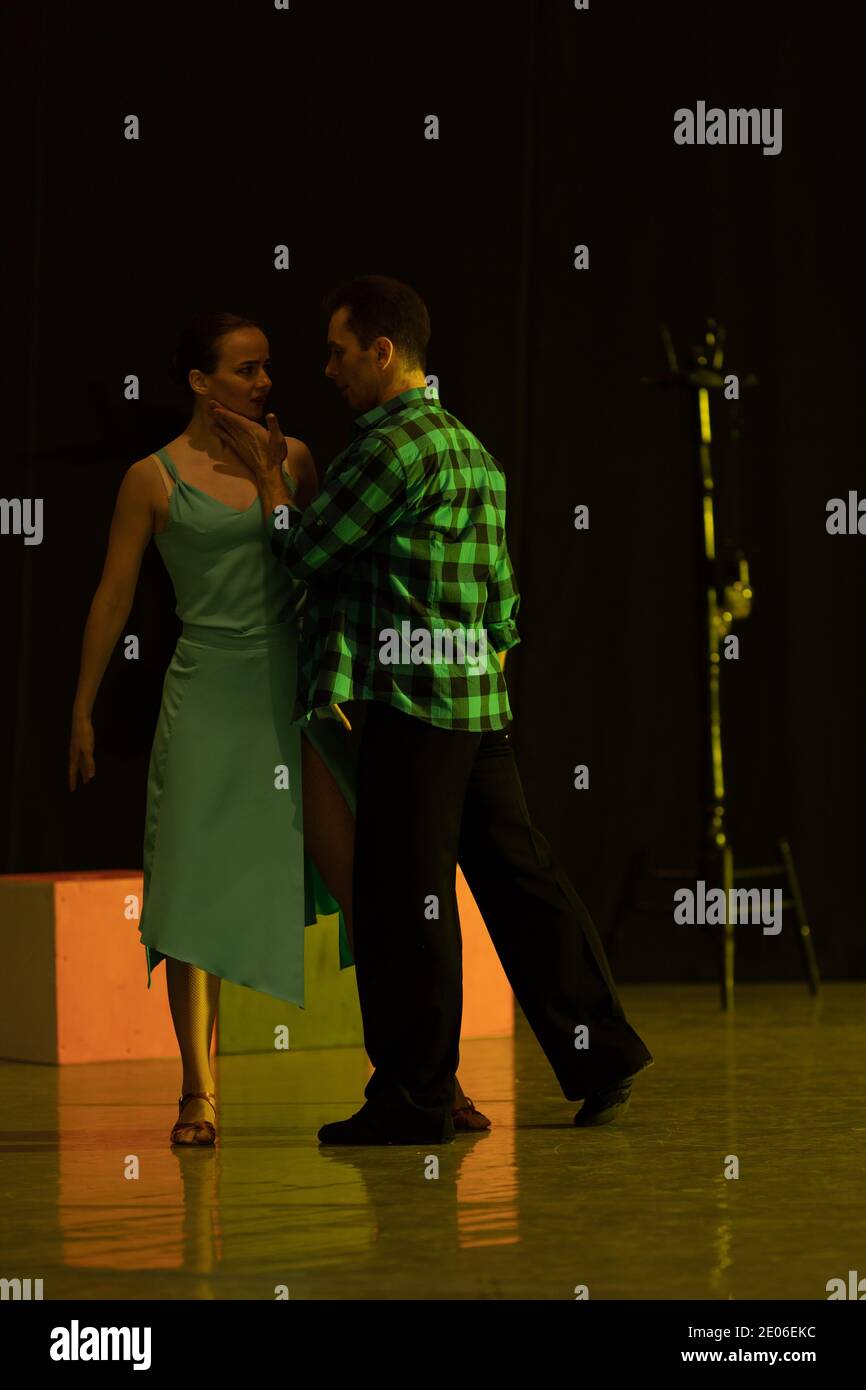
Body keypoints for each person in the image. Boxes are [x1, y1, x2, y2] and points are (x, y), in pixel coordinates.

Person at [211, 274, 654, 1147]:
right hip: (477, 709)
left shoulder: (388, 448)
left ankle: (414, 1098)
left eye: (338, 351)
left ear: (383, 351)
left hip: (414, 710)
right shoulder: (469, 447)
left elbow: (307, 553)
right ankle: (601, 1053)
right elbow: (506, 605)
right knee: (523, 883)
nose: (327, 368)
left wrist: (269, 482)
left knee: (403, 901)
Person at [68, 311, 488, 1147]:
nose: (266, 384)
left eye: (267, 370)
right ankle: (198, 1092)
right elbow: (113, 596)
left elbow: (331, 564)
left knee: (371, 886)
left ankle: (423, 1077)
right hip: (209, 692)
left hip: (293, 690)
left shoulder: (292, 458)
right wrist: (80, 706)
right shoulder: (152, 479)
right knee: (189, 889)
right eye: (245, 370)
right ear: (198, 381)